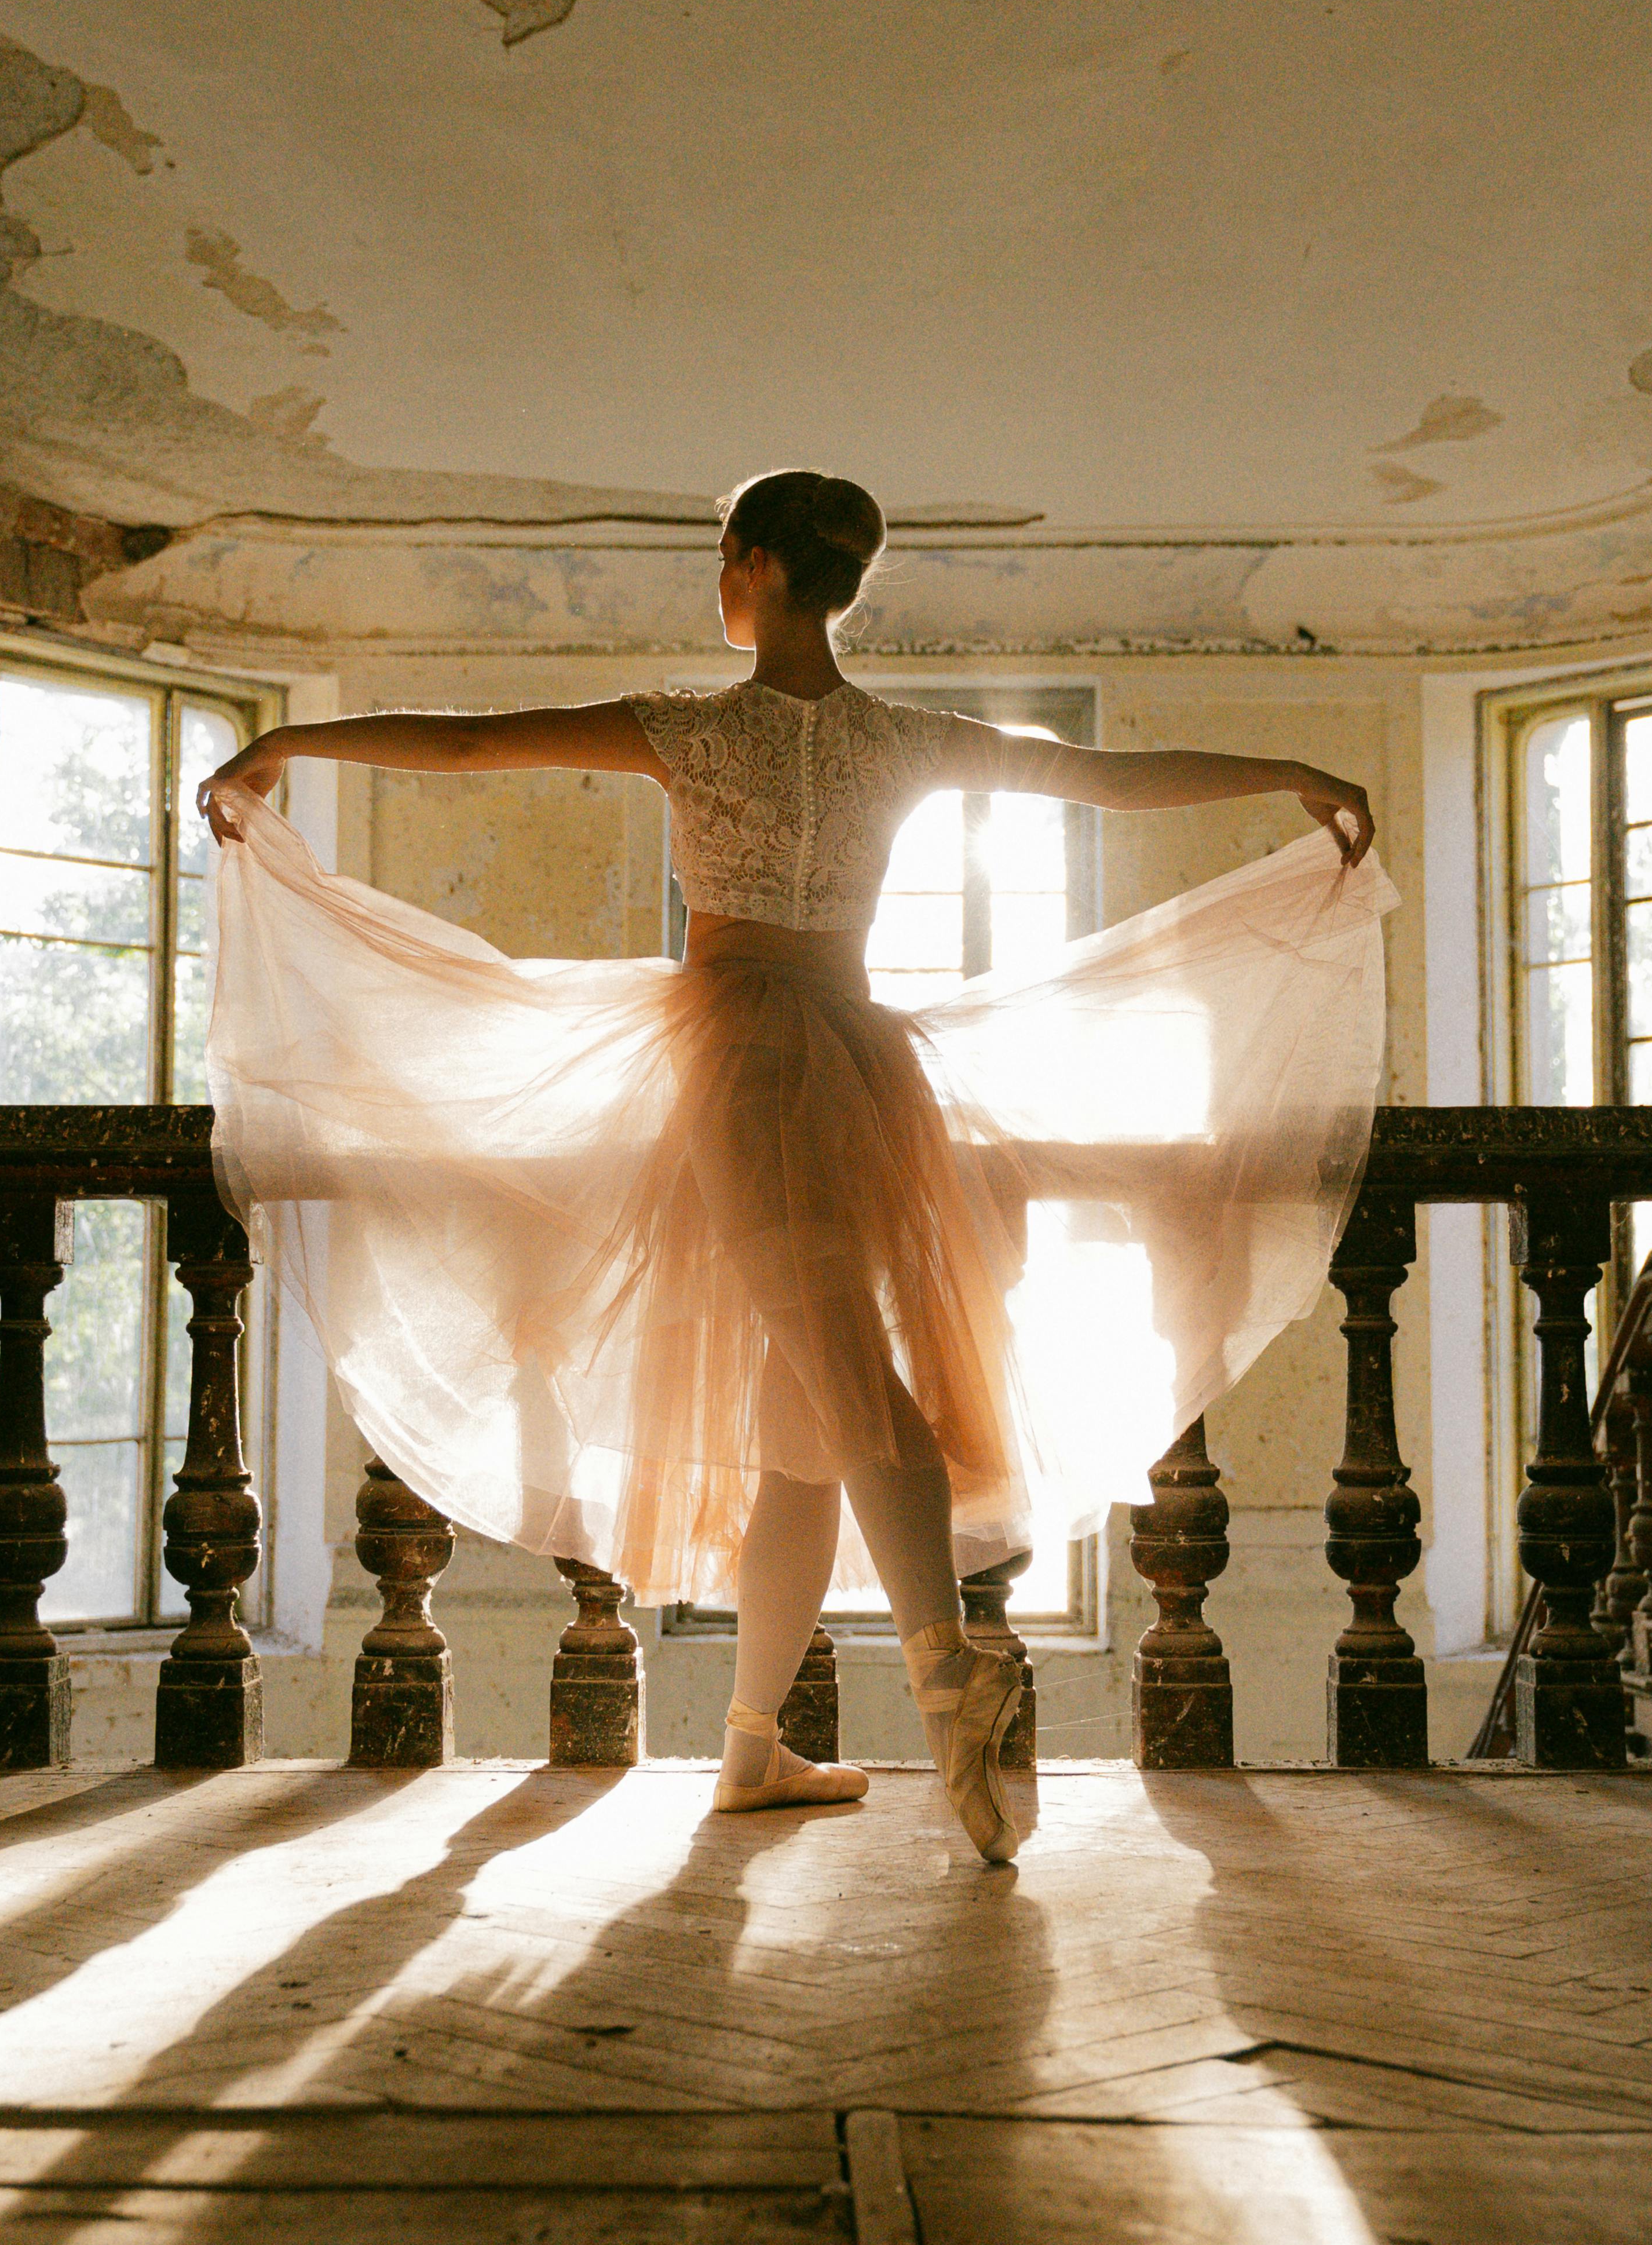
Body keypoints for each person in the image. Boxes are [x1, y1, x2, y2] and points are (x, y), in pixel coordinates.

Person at [199, 470, 1388, 1865]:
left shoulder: (694, 729)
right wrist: (1288, 775)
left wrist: (291, 742)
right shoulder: (901, 737)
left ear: (753, 567)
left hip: (751, 1066)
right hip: (850, 1062)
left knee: (828, 1405)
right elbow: (1095, 781)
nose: (715, 573)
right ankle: (758, 1746)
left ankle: (943, 1673)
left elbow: (475, 747)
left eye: (721, 555)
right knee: (809, 1417)